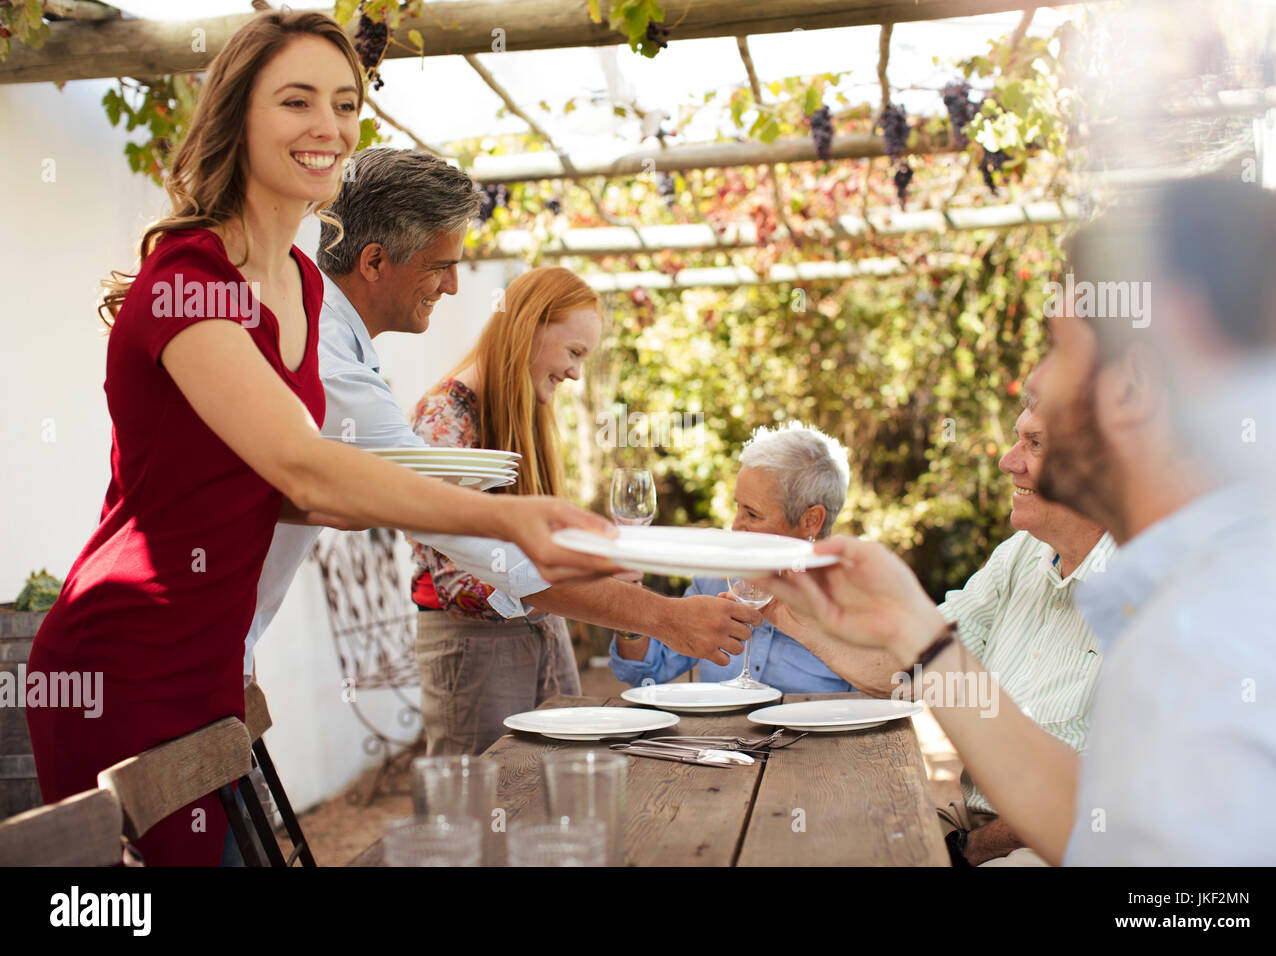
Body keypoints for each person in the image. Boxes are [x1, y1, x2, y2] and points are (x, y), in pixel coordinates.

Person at [23, 11, 615, 868]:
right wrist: (506, 521)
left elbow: (300, 490)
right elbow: (304, 465)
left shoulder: (303, 281)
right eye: (296, 100)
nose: (329, 127)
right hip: (125, 664)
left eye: (345, 104)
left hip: (216, 671)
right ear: (238, 115)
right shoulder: (189, 282)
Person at [758, 177, 1276, 865]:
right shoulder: (1191, 582)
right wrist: (911, 628)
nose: (1037, 381)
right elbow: (1100, 818)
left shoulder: (1229, 625)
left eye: (1057, 348)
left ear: (1131, 387)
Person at [242, 149, 759, 694]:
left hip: (229, 644)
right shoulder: (333, 361)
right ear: (373, 263)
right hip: (195, 642)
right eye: (441, 266)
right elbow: (470, 540)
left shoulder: (329, 337)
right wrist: (664, 618)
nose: (454, 287)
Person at [406, 267, 762, 754]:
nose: (575, 373)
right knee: (482, 808)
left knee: (549, 793)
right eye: (573, 353)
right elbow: (464, 580)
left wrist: (595, 573)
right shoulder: (444, 419)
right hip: (475, 648)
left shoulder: (520, 414)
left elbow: (528, 556)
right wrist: (615, 588)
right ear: (529, 325)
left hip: (543, 632)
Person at [770, 374, 1114, 866]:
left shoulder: (1152, 594)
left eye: (1034, 444)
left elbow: (1101, 802)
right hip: (973, 825)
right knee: (826, 835)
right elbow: (909, 669)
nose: (1007, 460)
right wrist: (789, 614)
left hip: (1046, 848)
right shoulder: (1019, 557)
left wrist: (966, 852)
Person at [610, 422, 856, 693]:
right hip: (718, 736)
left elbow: (873, 710)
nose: (736, 527)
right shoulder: (717, 579)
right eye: (738, 508)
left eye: (752, 514)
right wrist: (627, 596)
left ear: (811, 520)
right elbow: (647, 671)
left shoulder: (856, 604)